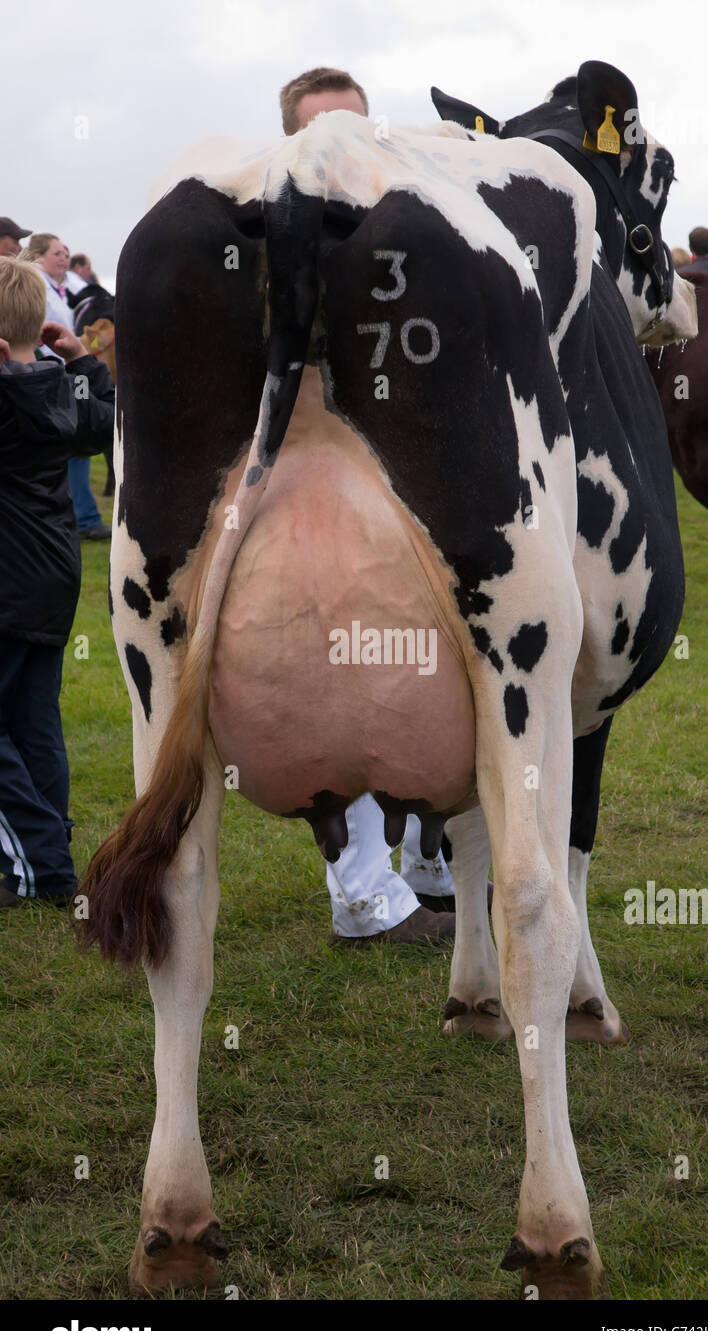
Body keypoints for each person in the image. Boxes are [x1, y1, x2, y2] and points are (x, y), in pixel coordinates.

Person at [278, 68, 457, 945]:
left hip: (410, 502)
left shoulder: (412, 228)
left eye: (359, 128)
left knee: (421, 680)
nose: (346, 149)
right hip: (316, 511)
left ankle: (425, 857)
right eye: (324, 133)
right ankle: (361, 894)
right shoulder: (272, 244)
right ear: (291, 143)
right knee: (336, 696)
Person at [0, 257, 115, 908]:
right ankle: (47, 860)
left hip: (9, 582)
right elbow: (107, 418)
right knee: (33, 723)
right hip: (49, 576)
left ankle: (41, 859)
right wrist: (80, 362)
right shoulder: (58, 390)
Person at [19, 234, 110, 539]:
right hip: (45, 372)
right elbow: (111, 420)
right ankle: (84, 518)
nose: (64, 257)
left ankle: (81, 516)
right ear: (38, 257)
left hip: (59, 371)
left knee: (73, 449)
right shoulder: (36, 285)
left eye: (66, 252)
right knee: (77, 442)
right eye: (57, 253)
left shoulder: (64, 285)